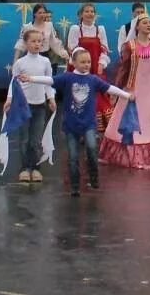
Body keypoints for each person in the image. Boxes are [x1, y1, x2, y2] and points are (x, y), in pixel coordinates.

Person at [21, 47, 131, 196]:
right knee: (73, 157)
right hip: (71, 125)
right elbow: (50, 80)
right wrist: (31, 78)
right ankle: (74, 185)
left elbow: (110, 88)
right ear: (73, 62)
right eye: (83, 62)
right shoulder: (67, 78)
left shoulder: (93, 79)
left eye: (88, 62)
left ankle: (93, 177)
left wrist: (126, 95)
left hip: (88, 124)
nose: (86, 64)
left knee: (92, 149)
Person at [100, 14, 150, 169]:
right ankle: (128, 155)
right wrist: (117, 90)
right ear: (137, 27)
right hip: (133, 90)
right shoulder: (130, 46)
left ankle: (149, 156)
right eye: (144, 23)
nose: (148, 25)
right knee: (128, 119)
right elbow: (123, 69)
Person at [9, 29, 57, 182]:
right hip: (23, 106)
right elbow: (13, 83)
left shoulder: (45, 62)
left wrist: (51, 98)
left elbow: (49, 82)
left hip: (39, 105)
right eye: (33, 41)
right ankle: (24, 168)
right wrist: (9, 100)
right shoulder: (20, 63)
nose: (37, 44)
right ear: (26, 43)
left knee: (35, 140)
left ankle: (35, 168)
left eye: (40, 42)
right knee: (24, 138)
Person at [66, 3, 113, 132]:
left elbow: (104, 49)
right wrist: (82, 67)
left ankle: (98, 129)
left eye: (92, 11)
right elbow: (73, 49)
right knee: (80, 98)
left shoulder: (100, 29)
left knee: (99, 97)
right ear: (81, 14)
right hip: (79, 69)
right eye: (86, 11)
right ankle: (80, 128)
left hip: (96, 69)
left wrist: (100, 64)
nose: (90, 13)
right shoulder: (75, 29)